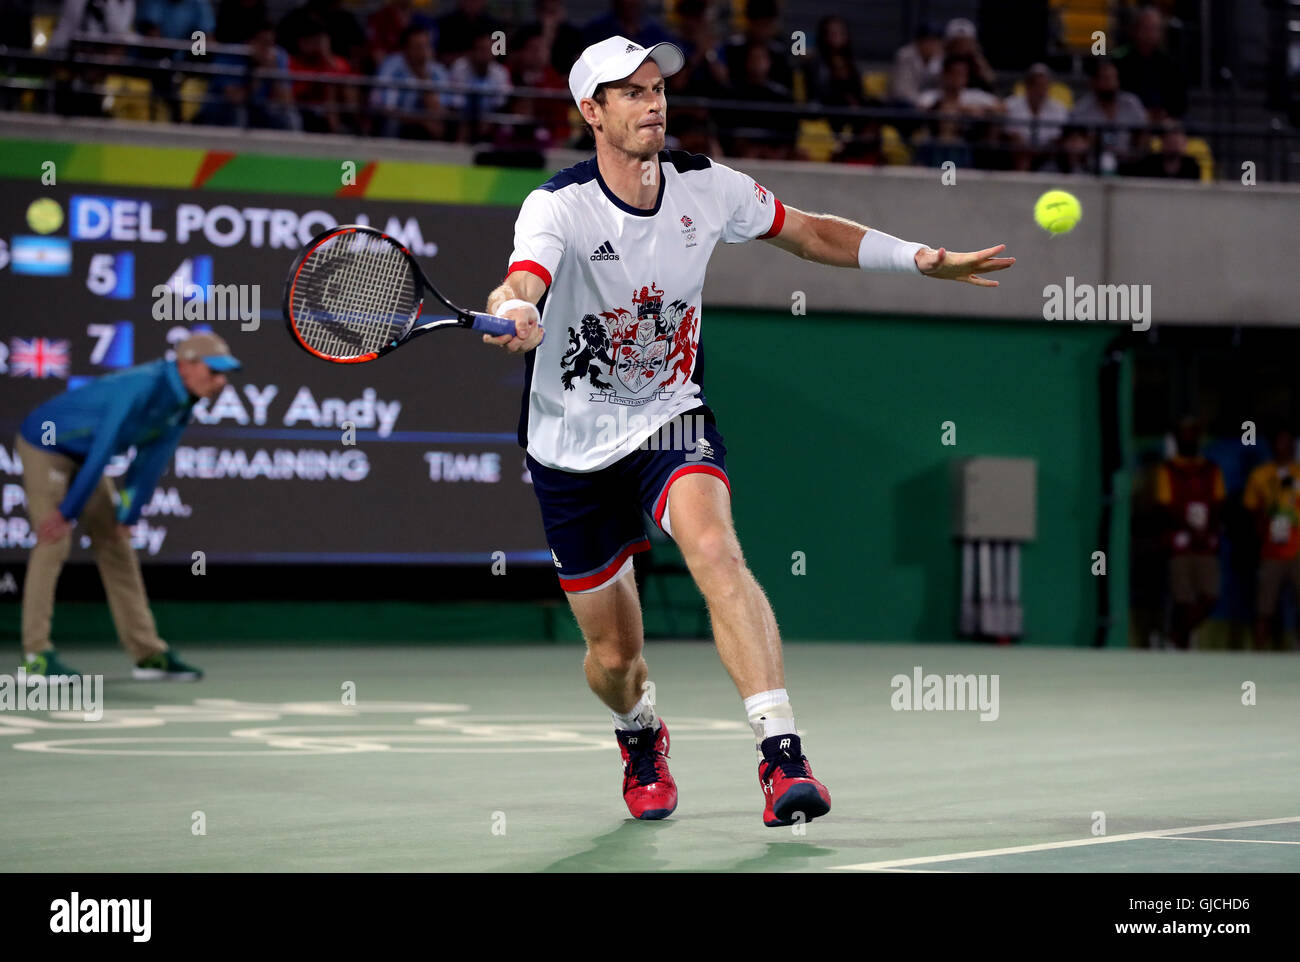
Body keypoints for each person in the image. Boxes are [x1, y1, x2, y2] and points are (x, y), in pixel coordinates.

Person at [479, 36, 1014, 826]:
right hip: (570, 447)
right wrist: (517, 307)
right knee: (615, 661)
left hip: (667, 418)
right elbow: (524, 277)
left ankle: (782, 757)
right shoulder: (556, 207)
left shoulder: (707, 186)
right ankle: (639, 733)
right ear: (591, 112)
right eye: (629, 92)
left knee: (716, 550)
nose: (652, 102)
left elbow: (810, 231)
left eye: (657, 87)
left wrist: (917, 259)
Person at [15, 333, 240, 683]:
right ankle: (36, 656)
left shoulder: (183, 403)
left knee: (117, 544)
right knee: (53, 538)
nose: (221, 382)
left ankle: (148, 654)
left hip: (85, 454)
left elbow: (151, 461)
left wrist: (128, 515)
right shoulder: (141, 386)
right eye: (214, 372)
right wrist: (67, 513)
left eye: (224, 374)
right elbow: (105, 445)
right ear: (186, 365)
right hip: (46, 444)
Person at [1154, 416, 1225, 649]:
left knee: (1210, 595)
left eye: (1193, 433)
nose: (1189, 438)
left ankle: (1175, 636)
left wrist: (1206, 532)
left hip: (1206, 543)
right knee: (1182, 599)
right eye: (1184, 433)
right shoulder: (1168, 470)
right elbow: (1165, 506)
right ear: (1176, 438)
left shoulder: (1210, 469)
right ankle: (1180, 645)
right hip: (1180, 542)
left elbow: (1218, 504)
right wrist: (1190, 530)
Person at [1243, 426, 1300, 651]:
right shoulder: (1260, 475)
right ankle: (1259, 654)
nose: (1283, 447)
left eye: (1288, 441)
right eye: (1279, 441)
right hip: (1270, 551)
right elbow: (1250, 511)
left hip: (1298, 550)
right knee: (1264, 607)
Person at [371, 23, 447, 139]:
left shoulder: (438, 71)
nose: (423, 52)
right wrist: (421, 121)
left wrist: (424, 77)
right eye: (418, 47)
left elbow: (440, 112)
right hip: (392, 134)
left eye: (426, 46)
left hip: (427, 135)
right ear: (406, 49)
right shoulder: (391, 67)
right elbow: (387, 108)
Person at [1003, 63, 1068, 169]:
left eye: (1044, 86)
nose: (1040, 91)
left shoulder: (1058, 108)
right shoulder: (1011, 104)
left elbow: (1056, 138)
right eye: (1036, 85)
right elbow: (1012, 135)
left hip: (1047, 155)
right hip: (1017, 155)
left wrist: (1039, 151)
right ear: (1028, 86)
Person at [889, 20, 943, 106]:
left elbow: (943, 88)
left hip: (931, 106)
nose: (931, 45)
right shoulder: (905, 56)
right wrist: (923, 103)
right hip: (904, 104)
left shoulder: (942, 58)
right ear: (918, 41)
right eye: (927, 40)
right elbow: (901, 91)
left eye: (934, 41)